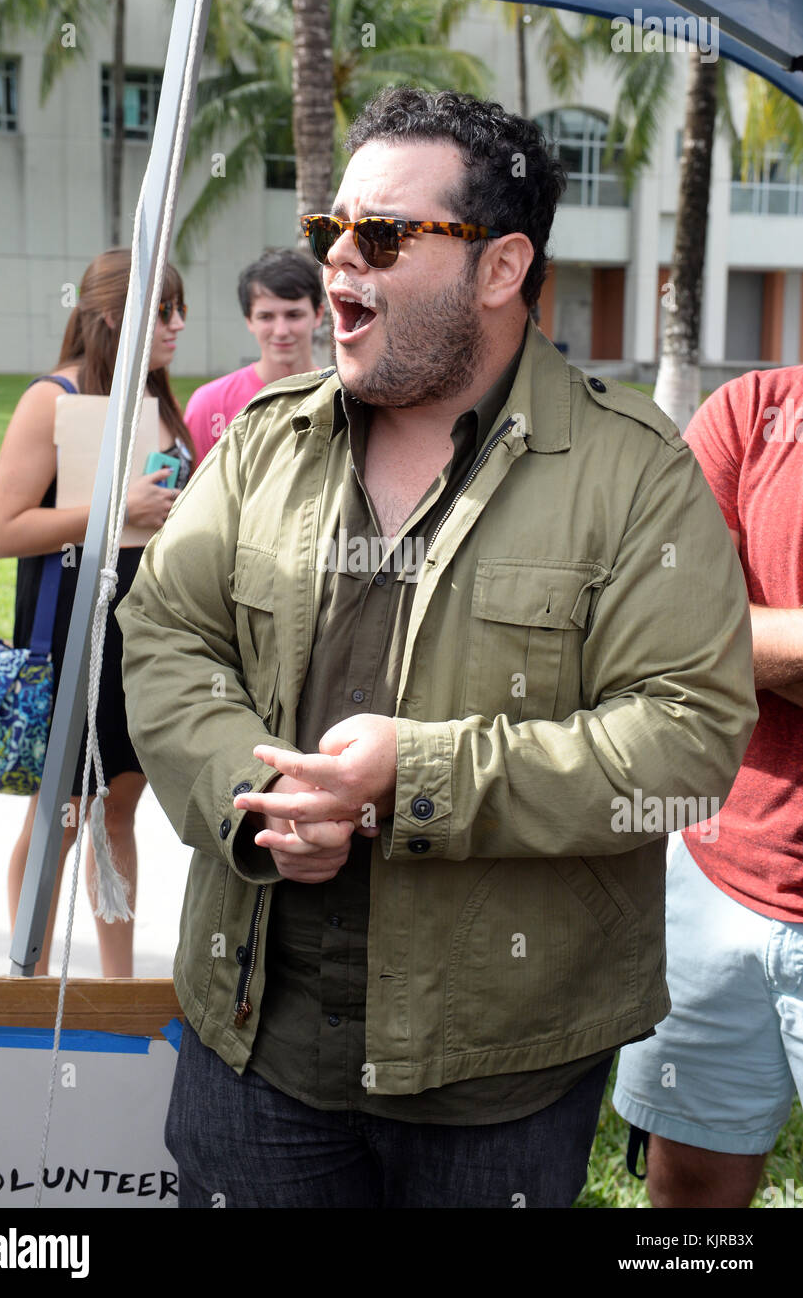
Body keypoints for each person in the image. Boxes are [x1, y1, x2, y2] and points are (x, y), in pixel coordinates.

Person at [117, 86, 757, 1208]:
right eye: (331, 232)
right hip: (254, 1045)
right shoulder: (264, 445)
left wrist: (416, 781)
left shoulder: (635, 474)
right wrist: (246, 797)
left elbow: (687, 734)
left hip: (498, 1077)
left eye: (381, 235)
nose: (337, 266)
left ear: (501, 266)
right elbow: (165, 636)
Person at [613, 363, 803, 1208]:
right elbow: (669, 629)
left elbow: (715, 637)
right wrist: (718, 645)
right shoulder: (752, 411)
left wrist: (753, 647)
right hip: (717, 876)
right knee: (687, 1195)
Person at [0, 247, 195, 977]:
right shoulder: (53, 397)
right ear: (115, 315)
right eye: (164, 310)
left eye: (178, 309)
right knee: (60, 820)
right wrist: (112, 511)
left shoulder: (158, 397)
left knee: (118, 815)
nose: (177, 326)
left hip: (146, 635)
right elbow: (0, 532)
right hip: (74, 635)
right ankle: (29, 981)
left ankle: (116, 984)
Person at [183, 247, 324, 464]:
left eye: (293, 315)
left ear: (318, 315)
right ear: (249, 320)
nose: (281, 330)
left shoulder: (343, 398)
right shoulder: (211, 405)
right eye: (266, 317)